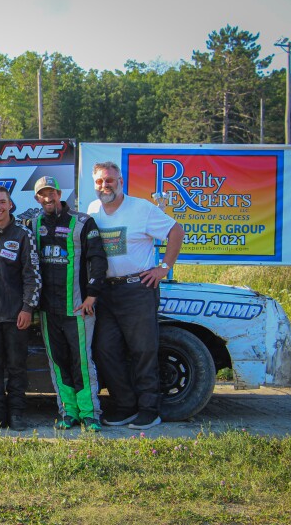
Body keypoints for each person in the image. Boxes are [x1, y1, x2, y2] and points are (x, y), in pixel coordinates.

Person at [87, 161, 185, 430]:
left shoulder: (141, 208)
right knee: (105, 350)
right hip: (106, 291)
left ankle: (149, 410)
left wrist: (164, 268)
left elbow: (176, 231)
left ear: (120, 181)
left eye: (109, 180)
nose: (104, 185)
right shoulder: (94, 210)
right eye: (99, 181)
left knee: (143, 350)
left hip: (137, 289)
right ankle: (126, 405)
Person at [24, 176, 107, 432]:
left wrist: (92, 295)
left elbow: (98, 259)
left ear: (60, 194)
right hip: (49, 310)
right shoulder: (32, 222)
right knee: (57, 362)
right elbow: (2, 226)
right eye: (42, 194)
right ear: (37, 198)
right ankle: (67, 411)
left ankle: (90, 412)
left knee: (81, 361)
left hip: (78, 308)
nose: (48, 198)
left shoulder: (83, 222)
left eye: (52, 193)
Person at [0, 185, 42, 432]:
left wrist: (27, 308)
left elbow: (33, 275)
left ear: (10, 204)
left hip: (16, 314)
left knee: (16, 365)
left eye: (2, 202)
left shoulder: (24, 234)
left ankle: (17, 413)